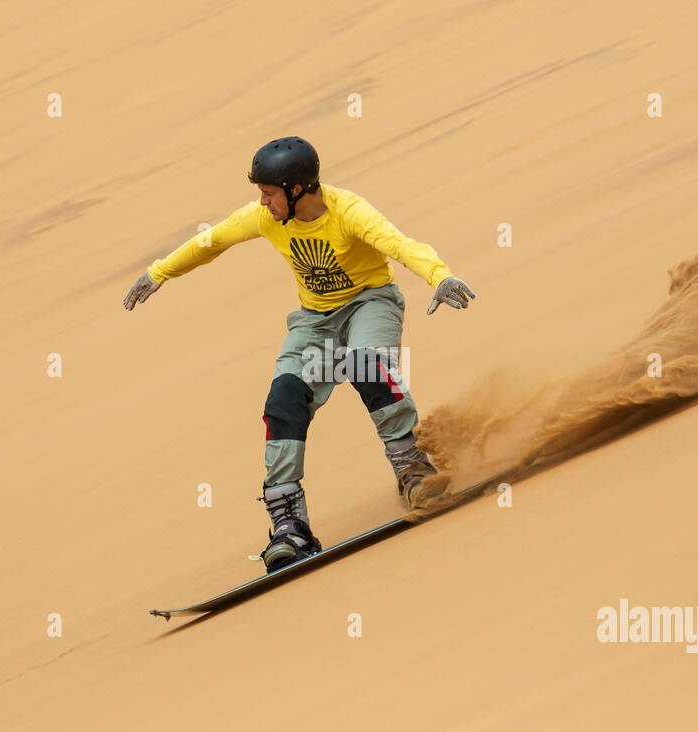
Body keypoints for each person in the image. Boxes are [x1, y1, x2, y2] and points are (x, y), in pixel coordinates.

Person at [123, 136, 476, 573]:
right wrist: (158, 273)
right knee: (283, 402)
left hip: (370, 303)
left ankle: (414, 472)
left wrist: (438, 276)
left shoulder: (348, 211)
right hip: (315, 323)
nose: (263, 203)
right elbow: (210, 242)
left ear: (296, 189)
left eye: (269, 193)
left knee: (366, 367)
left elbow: (400, 245)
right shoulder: (265, 218)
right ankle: (289, 525)